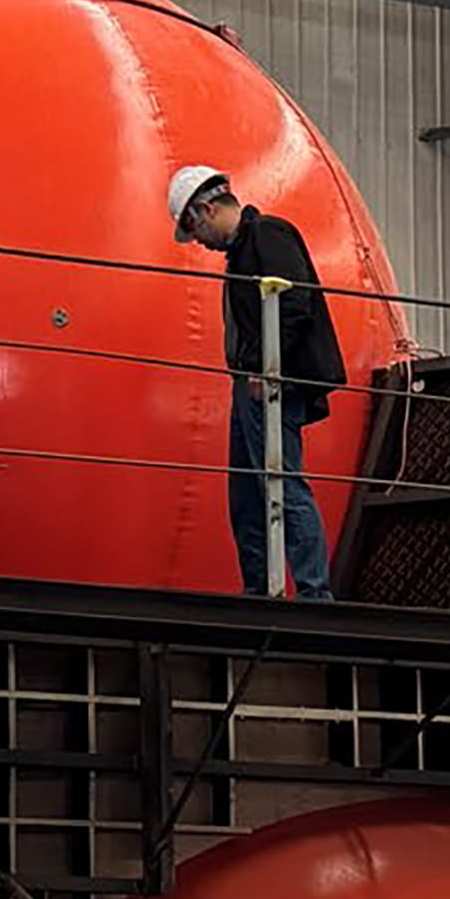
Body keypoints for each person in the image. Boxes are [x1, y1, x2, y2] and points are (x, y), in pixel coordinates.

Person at [167, 164, 344, 600]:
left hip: (269, 382)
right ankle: (262, 588)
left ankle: (312, 592)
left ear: (205, 209)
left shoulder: (267, 234)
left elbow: (294, 302)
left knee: (280, 481)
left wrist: (269, 368)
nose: (201, 244)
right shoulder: (250, 248)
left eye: (194, 228)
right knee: (249, 491)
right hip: (254, 381)